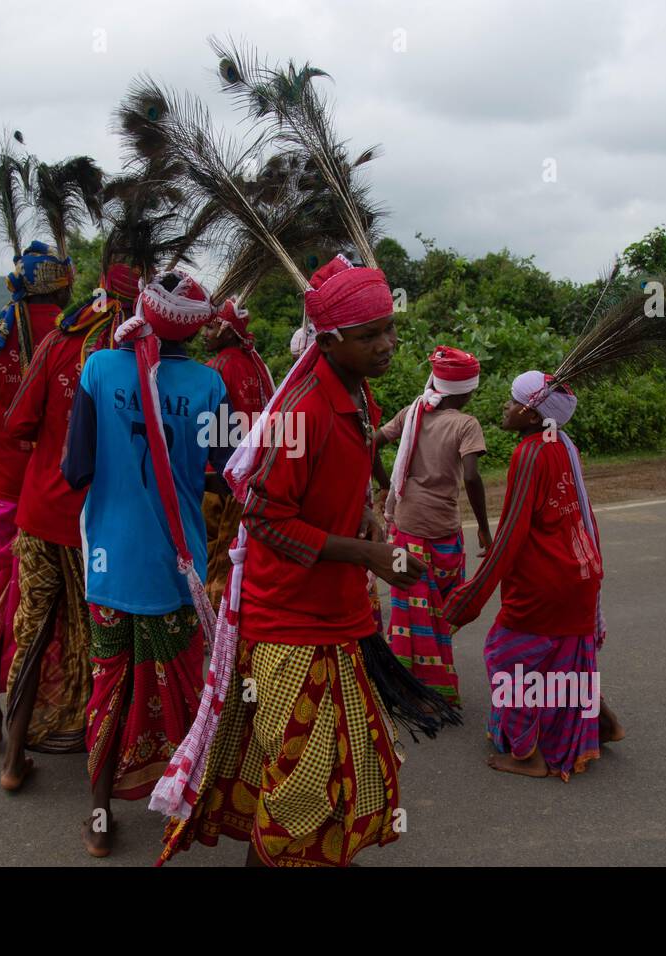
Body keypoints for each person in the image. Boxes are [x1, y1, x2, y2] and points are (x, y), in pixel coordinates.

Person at [157, 256, 440, 868]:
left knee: (343, 776)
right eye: (371, 336)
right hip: (291, 626)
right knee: (300, 792)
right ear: (329, 340)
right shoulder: (301, 414)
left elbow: (349, 478)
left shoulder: (355, 389)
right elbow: (264, 519)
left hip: (338, 617)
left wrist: (368, 520)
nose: (388, 344)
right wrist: (369, 554)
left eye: (390, 328)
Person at [62, 270, 231, 857]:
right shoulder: (210, 385)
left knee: (109, 690)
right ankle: (179, 809)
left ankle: (101, 819)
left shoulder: (99, 369)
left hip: (109, 567)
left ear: (143, 311)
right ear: (196, 328)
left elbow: (75, 470)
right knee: (180, 690)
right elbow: (225, 471)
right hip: (176, 568)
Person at [0, 263, 140, 790]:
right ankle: (101, 773)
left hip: (39, 514)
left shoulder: (59, 339)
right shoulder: (136, 355)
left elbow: (16, 423)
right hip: (98, 524)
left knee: (32, 629)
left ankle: (14, 761)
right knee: (104, 636)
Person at [442, 371, 624, 781]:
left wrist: (471, 597)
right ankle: (602, 724)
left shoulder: (530, 453)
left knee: (505, 657)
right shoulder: (563, 445)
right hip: (580, 574)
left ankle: (528, 755)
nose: (504, 408)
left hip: (546, 583)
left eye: (511, 401)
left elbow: (511, 533)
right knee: (567, 660)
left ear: (531, 412)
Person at [0, 241, 72, 746]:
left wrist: (1, 442)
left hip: (2, 492)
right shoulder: (82, 336)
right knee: (57, 606)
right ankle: (59, 715)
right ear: (64, 283)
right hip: (61, 493)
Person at [372, 345, 489, 703]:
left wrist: (382, 483)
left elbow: (371, 442)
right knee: (443, 604)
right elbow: (471, 476)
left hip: (405, 526)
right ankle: (431, 684)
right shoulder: (466, 424)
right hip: (443, 529)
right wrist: (484, 526)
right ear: (467, 391)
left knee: (412, 608)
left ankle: (407, 678)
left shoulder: (413, 413)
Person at [201, 297, 274, 608]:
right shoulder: (255, 365)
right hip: (251, 477)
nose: (205, 332)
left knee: (213, 553)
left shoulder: (216, 369)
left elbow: (209, 431)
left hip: (219, 480)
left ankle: (212, 622)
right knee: (234, 551)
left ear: (230, 332)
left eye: (212, 326)